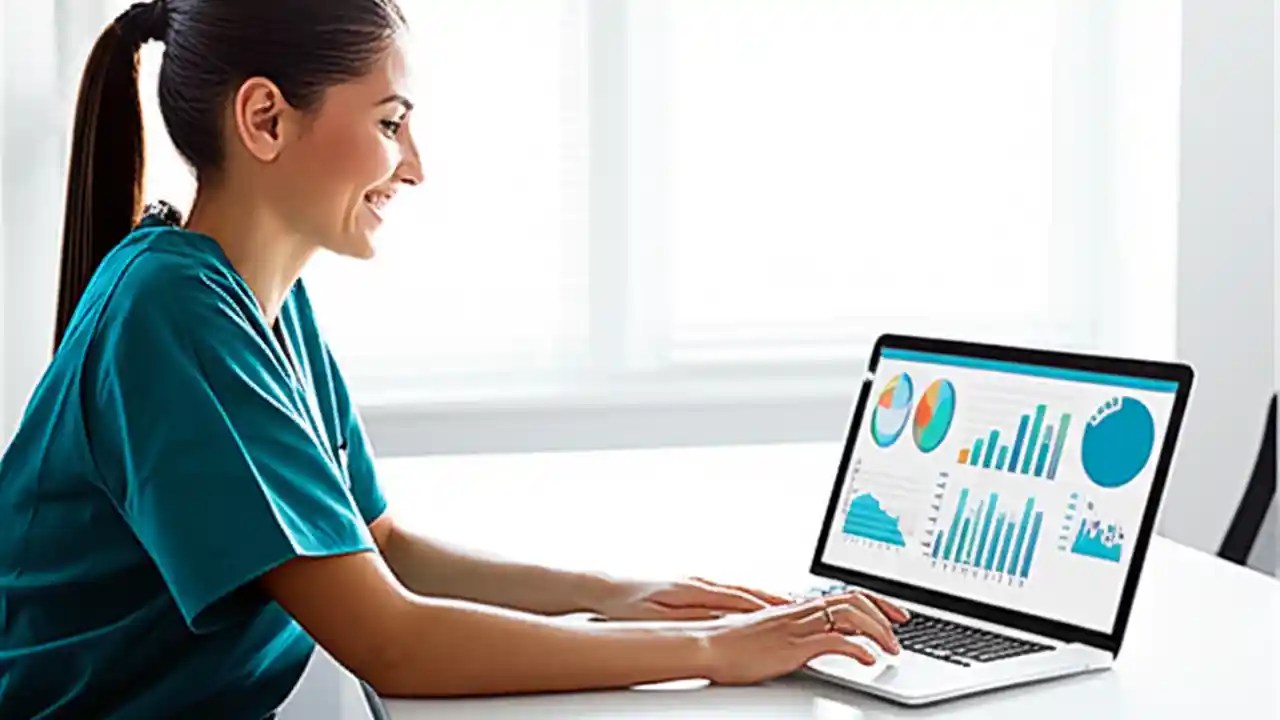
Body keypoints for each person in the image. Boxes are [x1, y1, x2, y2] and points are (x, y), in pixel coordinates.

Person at [0, 1, 907, 717]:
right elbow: (389, 638)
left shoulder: (257, 301)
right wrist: (715, 655)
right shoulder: (173, 312)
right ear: (266, 118)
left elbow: (377, 547)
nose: (415, 166)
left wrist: (626, 592)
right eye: (391, 122)